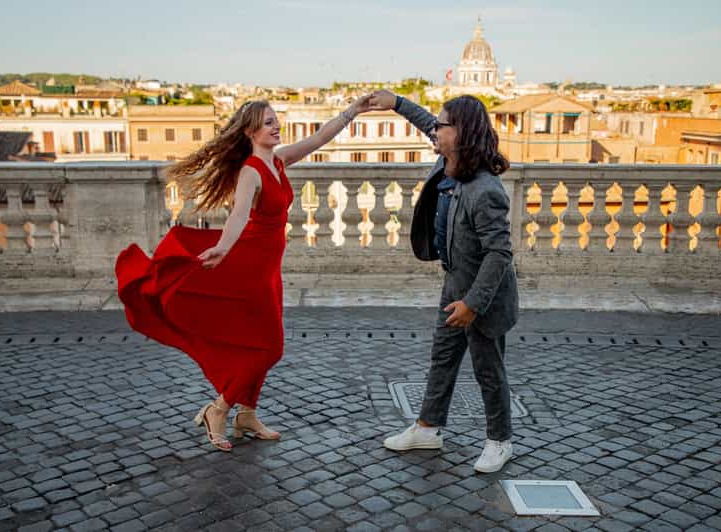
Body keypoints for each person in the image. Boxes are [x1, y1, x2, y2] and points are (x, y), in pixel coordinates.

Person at [116, 95, 373, 452]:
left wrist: (352, 112)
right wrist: (223, 247)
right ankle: (218, 409)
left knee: (259, 341)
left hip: (268, 268)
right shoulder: (251, 170)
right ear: (251, 131)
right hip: (248, 263)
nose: (276, 126)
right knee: (270, 348)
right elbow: (238, 215)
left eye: (275, 119)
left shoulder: (278, 160)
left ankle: (247, 415)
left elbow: (318, 139)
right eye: (268, 122)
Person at [369, 90, 519, 473]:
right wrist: (396, 103)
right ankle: (428, 428)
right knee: (443, 359)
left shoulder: (486, 189)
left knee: (488, 370)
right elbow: (426, 122)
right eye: (436, 125)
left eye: (442, 125)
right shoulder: (449, 161)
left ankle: (500, 441)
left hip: (483, 298)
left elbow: (499, 254)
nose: (434, 130)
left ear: (462, 132)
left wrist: (472, 304)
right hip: (455, 286)